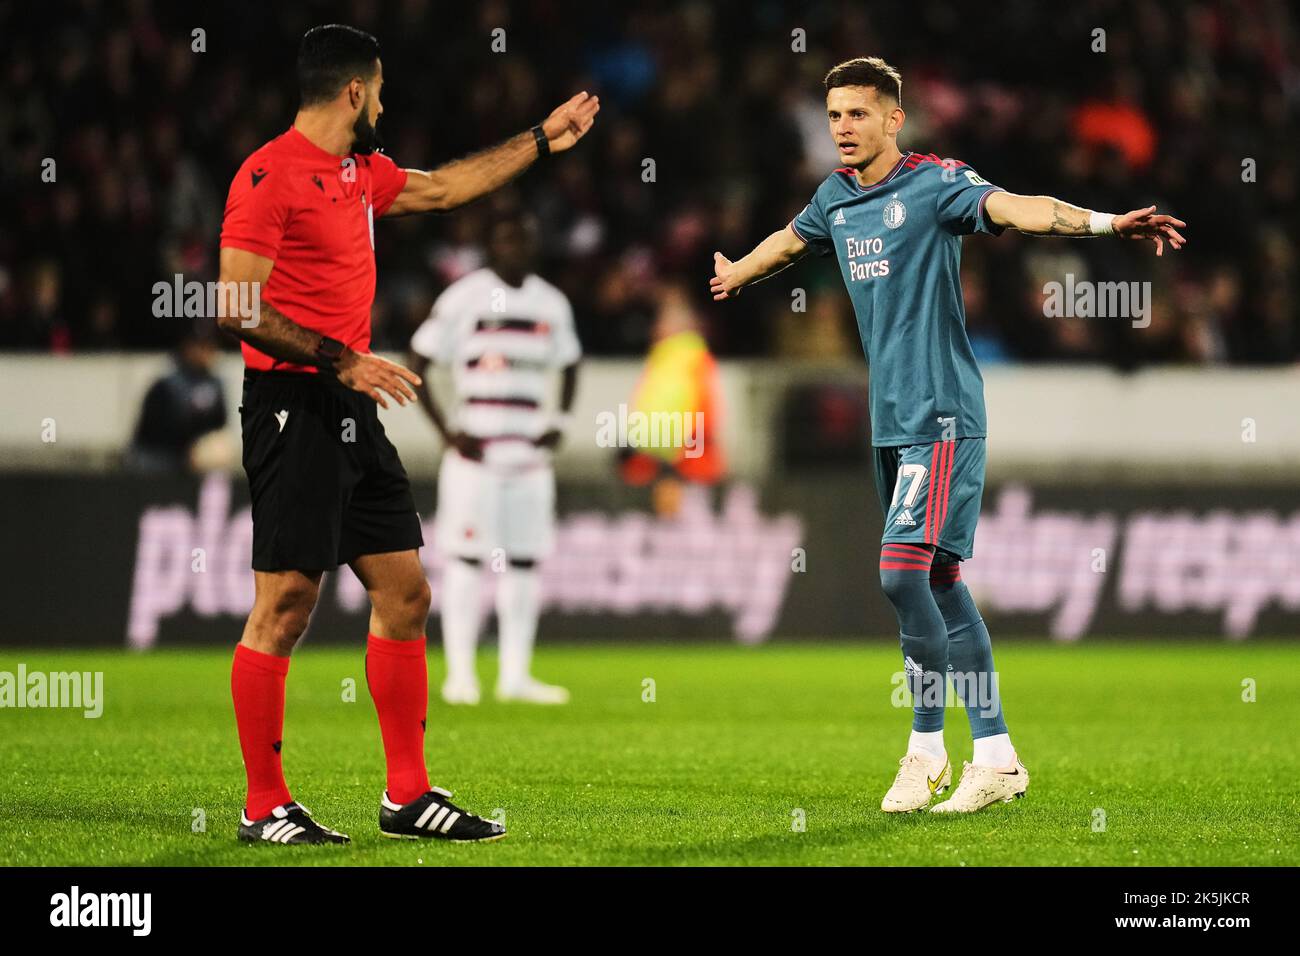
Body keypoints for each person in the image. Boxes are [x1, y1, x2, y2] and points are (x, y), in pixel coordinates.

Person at [710, 57, 1184, 814]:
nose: (842, 128)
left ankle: (926, 750)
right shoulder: (835, 197)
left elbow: (1018, 208)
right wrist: (740, 271)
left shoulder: (935, 183)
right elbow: (790, 242)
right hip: (889, 420)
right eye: (833, 115)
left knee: (900, 575)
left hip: (942, 414)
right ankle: (996, 758)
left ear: (895, 119)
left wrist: (1103, 223)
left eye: (858, 114)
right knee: (939, 582)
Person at [215, 24, 598, 844]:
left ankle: (407, 796)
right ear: (354, 91)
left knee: (406, 595)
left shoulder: (361, 173)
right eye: (379, 90)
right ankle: (262, 805)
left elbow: (449, 187)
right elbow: (234, 305)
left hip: (352, 407)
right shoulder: (266, 175)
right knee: (284, 605)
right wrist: (339, 359)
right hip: (293, 401)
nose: (384, 104)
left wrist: (541, 139)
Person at [409, 212, 581, 706]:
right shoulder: (464, 296)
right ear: (491, 244)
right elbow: (418, 361)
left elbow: (570, 363)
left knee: (524, 562)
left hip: (527, 454)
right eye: (507, 236)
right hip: (476, 454)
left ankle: (514, 676)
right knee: (464, 560)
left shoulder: (551, 301)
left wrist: (560, 422)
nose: (516, 246)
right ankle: (460, 674)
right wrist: (447, 433)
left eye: (523, 237)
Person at [126, 327, 227, 474]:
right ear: (187, 348)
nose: (206, 353)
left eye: (209, 347)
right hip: (159, 453)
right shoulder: (168, 381)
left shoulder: (214, 383)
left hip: (193, 454)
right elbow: (155, 428)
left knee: (219, 450)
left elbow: (220, 422)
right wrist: (187, 449)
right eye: (201, 347)